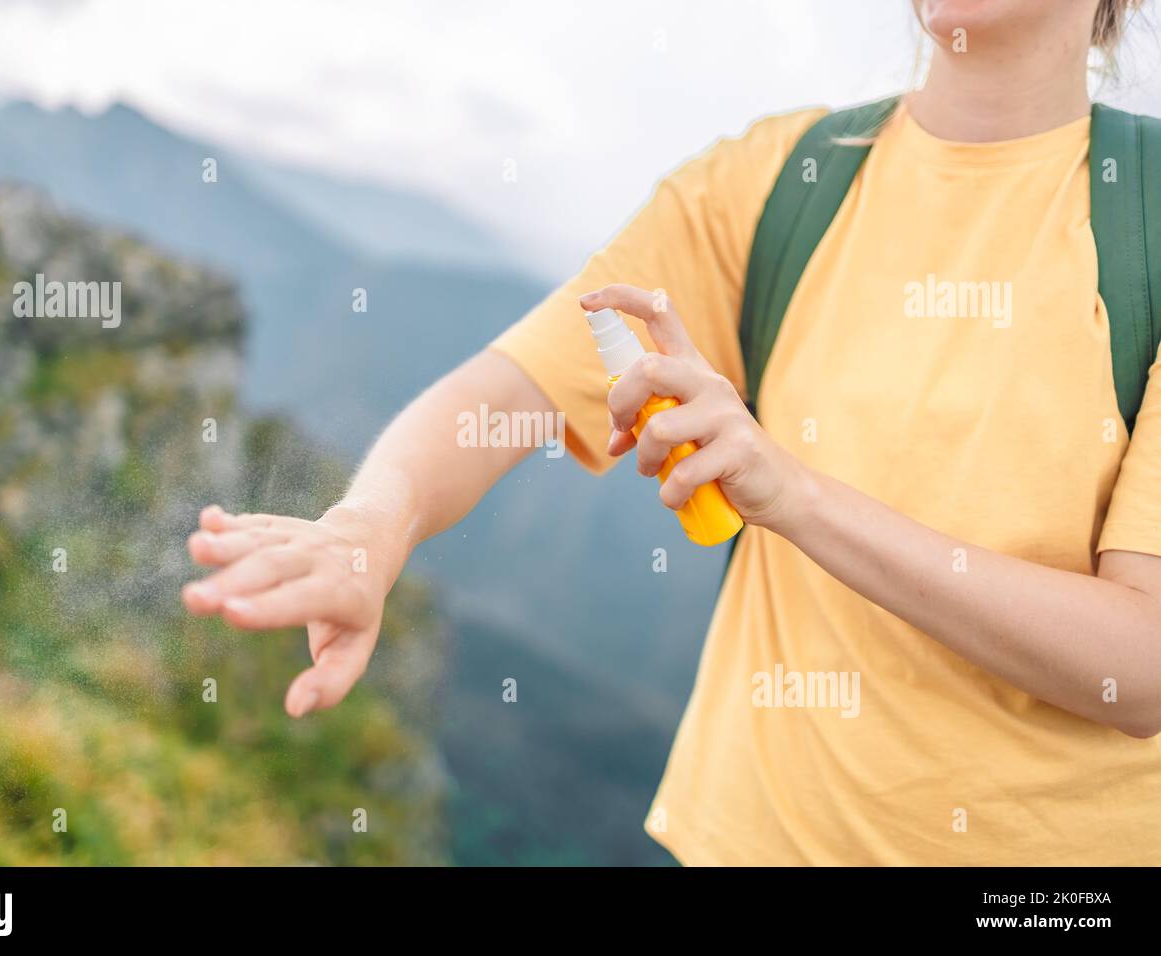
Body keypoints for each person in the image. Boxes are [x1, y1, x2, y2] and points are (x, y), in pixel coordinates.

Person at [182, 0, 1161, 864]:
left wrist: (798, 495)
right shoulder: (781, 180)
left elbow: (1140, 664)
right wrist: (370, 529)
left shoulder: (1145, 223)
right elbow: (511, 385)